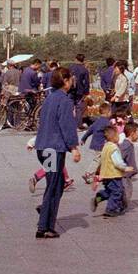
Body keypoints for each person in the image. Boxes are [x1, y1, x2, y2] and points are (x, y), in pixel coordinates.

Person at [34, 67, 81, 238]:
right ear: (66, 81)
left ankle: (45, 210)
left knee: (57, 183)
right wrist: (74, 147)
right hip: (54, 149)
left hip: (44, 148)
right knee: (53, 186)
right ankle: (44, 227)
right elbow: (67, 125)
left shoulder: (50, 98)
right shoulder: (65, 100)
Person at [91, 125, 135, 218]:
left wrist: (98, 171)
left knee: (109, 191)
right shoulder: (114, 148)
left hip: (106, 174)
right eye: (118, 135)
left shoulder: (105, 147)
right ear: (114, 137)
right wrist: (125, 168)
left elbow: (101, 160)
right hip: (113, 174)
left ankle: (98, 198)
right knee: (117, 191)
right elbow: (118, 162)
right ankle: (110, 209)